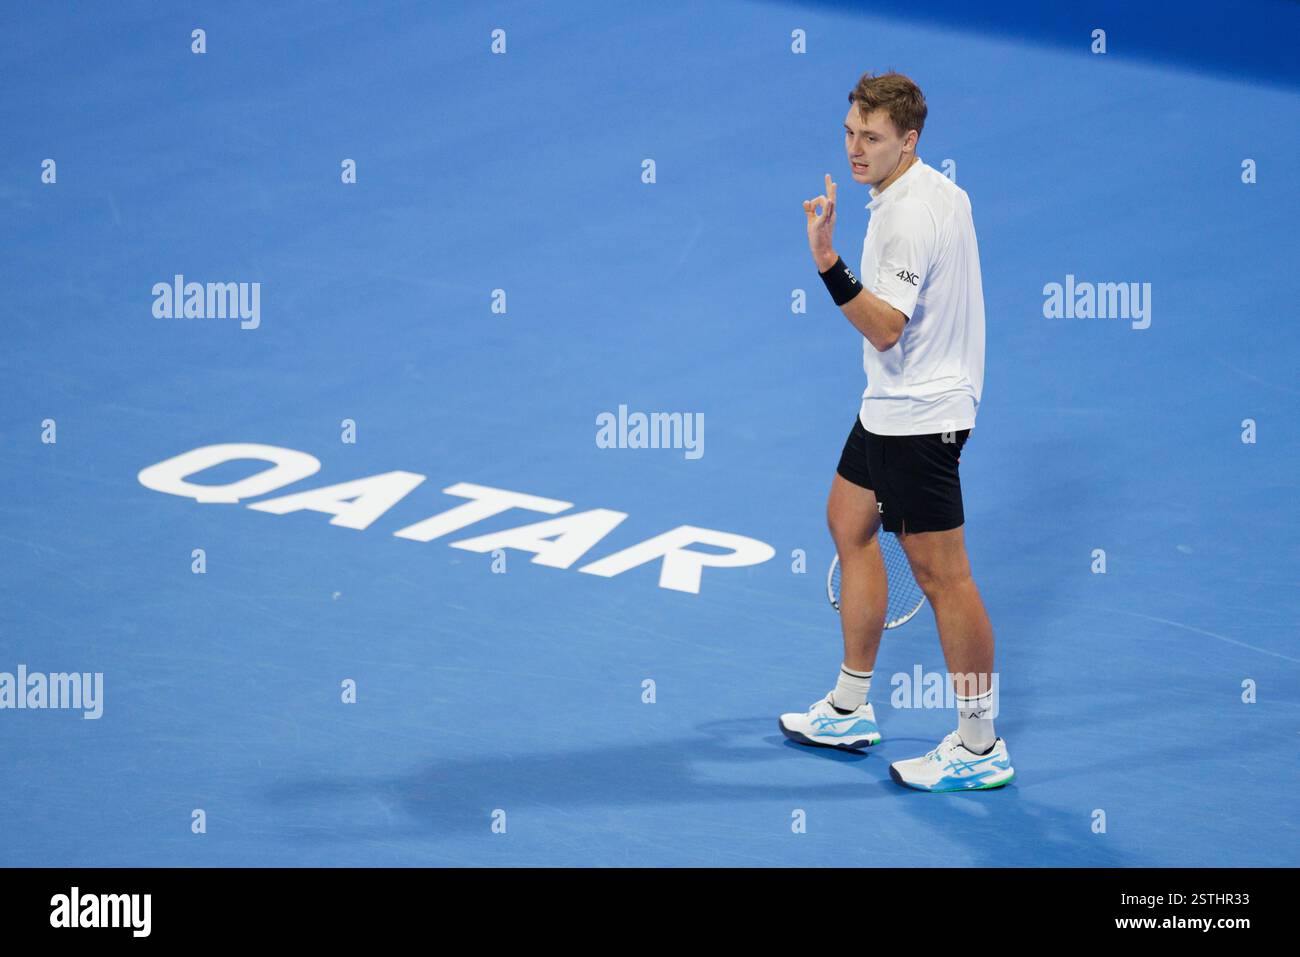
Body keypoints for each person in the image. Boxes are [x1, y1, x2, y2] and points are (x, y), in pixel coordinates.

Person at [779, 71, 1014, 792]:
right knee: (848, 519)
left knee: (947, 578)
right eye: (850, 132)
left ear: (907, 140)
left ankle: (978, 745)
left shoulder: (906, 216)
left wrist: (827, 262)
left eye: (871, 138)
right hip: (895, 405)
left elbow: (886, 327)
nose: (855, 148)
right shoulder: (941, 190)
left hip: (919, 417)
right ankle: (851, 703)